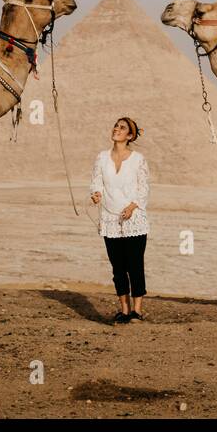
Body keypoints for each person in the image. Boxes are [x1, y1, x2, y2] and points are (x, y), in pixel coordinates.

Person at [89, 117, 150, 324]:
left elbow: (143, 188)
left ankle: (137, 311)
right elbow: (96, 181)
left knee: (135, 265)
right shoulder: (102, 157)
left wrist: (133, 207)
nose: (116, 129)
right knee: (118, 268)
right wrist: (96, 193)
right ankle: (124, 310)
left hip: (134, 220)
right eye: (115, 125)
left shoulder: (138, 159)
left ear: (130, 135)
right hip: (110, 219)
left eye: (122, 128)